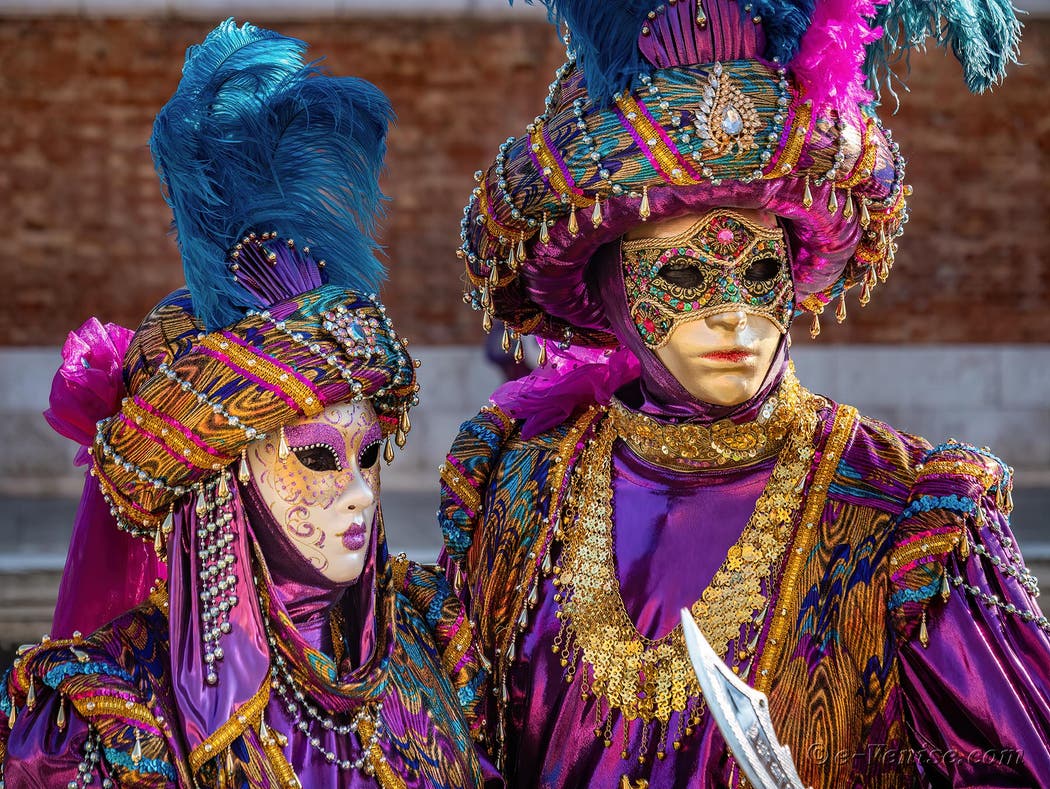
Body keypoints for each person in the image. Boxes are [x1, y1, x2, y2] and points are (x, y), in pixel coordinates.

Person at [438, 0, 1050, 786]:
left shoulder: (908, 519)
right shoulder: (524, 494)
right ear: (612, 288)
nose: (735, 315)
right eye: (685, 274)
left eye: (760, 271)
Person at [0, 20, 496, 788]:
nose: (361, 490)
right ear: (222, 475)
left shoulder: (429, 647)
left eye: (366, 453)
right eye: (316, 457)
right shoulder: (116, 718)